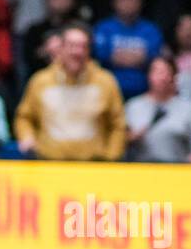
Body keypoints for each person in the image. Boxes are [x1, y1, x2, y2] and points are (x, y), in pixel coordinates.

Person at [15, 23, 126, 160]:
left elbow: (118, 125)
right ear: (60, 48)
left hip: (93, 167)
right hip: (49, 165)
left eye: (83, 46)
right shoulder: (40, 81)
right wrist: (27, 138)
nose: (77, 52)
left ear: (89, 50)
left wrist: (111, 157)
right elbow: (24, 117)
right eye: (72, 46)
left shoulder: (105, 82)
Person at [93, 0, 164, 101]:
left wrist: (119, 56)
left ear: (140, 2)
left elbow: (151, 57)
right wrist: (136, 56)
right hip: (107, 93)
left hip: (143, 93)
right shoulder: (103, 28)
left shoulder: (151, 29)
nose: (128, 3)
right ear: (114, 2)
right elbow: (102, 56)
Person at [125, 55, 191, 162]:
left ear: (173, 77)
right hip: (141, 171)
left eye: (166, 72)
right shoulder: (133, 106)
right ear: (148, 75)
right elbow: (120, 141)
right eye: (157, 72)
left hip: (178, 171)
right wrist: (131, 138)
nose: (161, 77)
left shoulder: (188, 109)